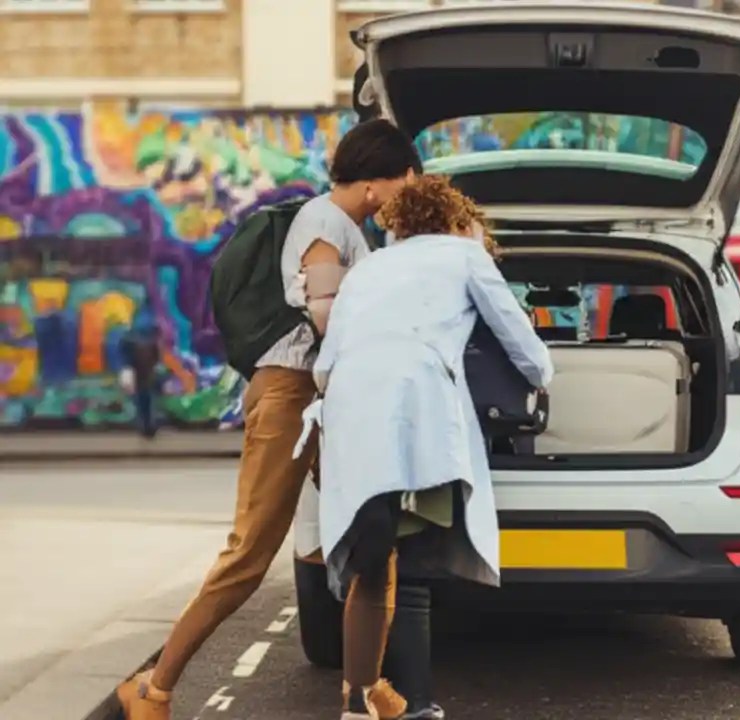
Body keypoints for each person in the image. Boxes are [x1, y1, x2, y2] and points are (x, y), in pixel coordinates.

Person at [116, 118, 420, 720]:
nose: (405, 199)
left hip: (329, 397)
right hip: (290, 394)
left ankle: (364, 690)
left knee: (374, 539)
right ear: (374, 182)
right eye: (405, 185)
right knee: (251, 553)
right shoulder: (325, 225)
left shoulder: (349, 227)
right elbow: (329, 315)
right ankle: (153, 689)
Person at [301, 175, 553, 719]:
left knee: (372, 559)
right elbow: (522, 342)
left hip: (351, 412)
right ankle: (410, 705)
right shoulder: (465, 257)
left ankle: (366, 699)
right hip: (414, 416)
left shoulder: (367, 268)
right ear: (458, 220)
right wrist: (543, 374)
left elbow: (324, 365)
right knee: (408, 566)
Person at [118, 307, 163, 438]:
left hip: (139, 375)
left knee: (142, 402)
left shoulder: (130, 338)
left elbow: (125, 355)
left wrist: (126, 367)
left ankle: (145, 426)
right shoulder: (151, 340)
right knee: (149, 401)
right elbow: (156, 357)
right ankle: (149, 426)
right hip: (147, 375)